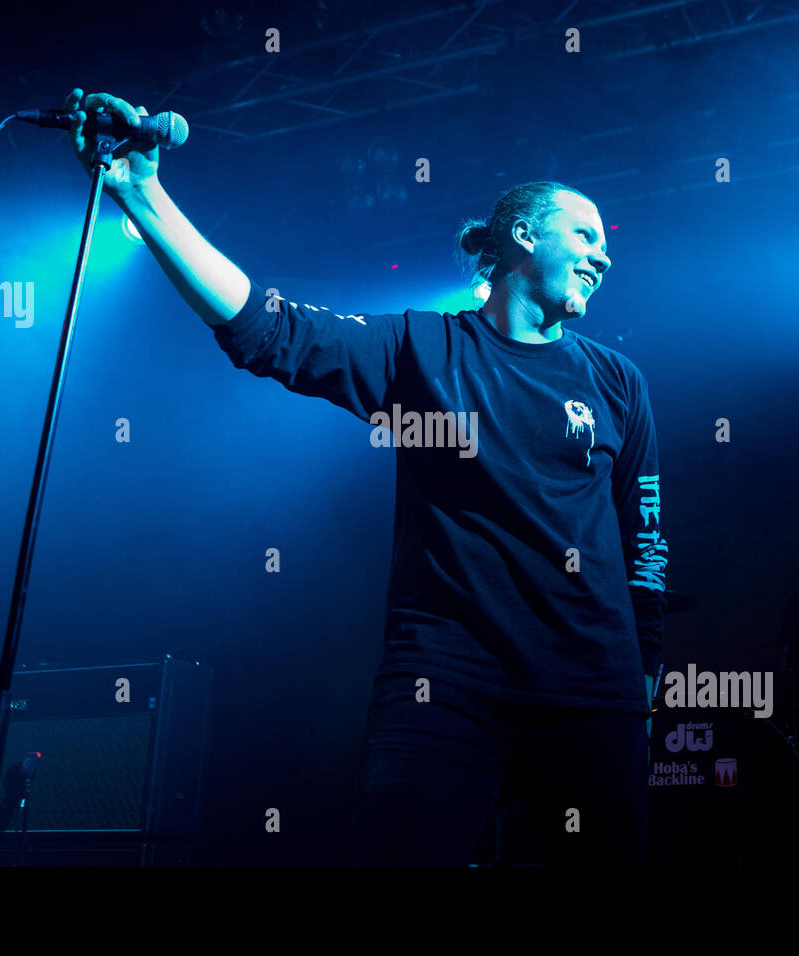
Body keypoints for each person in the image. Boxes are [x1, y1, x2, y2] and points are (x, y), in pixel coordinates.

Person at [65, 89, 667, 865]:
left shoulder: (619, 383)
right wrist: (144, 195)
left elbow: (643, 538)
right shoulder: (421, 348)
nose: (604, 252)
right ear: (523, 236)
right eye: (585, 233)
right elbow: (268, 331)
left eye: (604, 241)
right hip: (446, 684)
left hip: (592, 689)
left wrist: (646, 673)